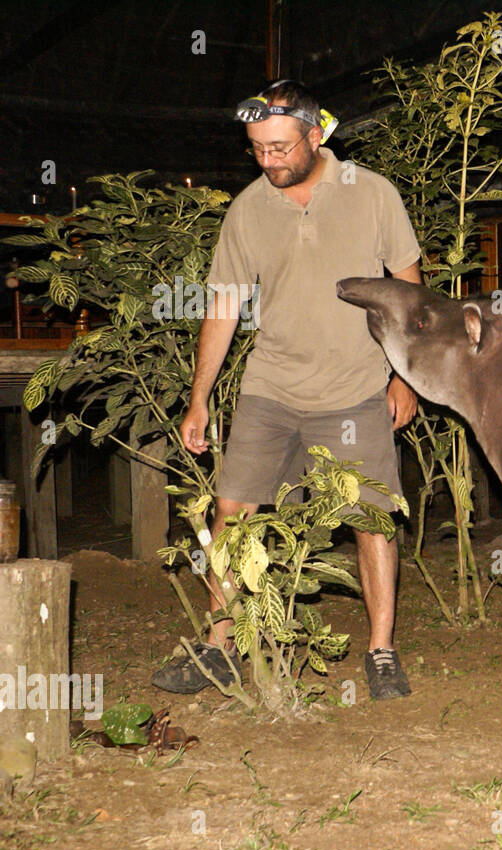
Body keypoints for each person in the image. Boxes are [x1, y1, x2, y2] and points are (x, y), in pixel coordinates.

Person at [151, 79, 421, 700]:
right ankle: (219, 647)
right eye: (257, 149)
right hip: (271, 387)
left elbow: (409, 289)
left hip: (354, 388)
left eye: (279, 147)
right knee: (232, 512)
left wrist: (406, 376)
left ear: (316, 135)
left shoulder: (372, 194)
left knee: (372, 519)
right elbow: (222, 306)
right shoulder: (248, 208)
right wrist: (199, 396)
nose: (269, 160)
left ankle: (382, 652)